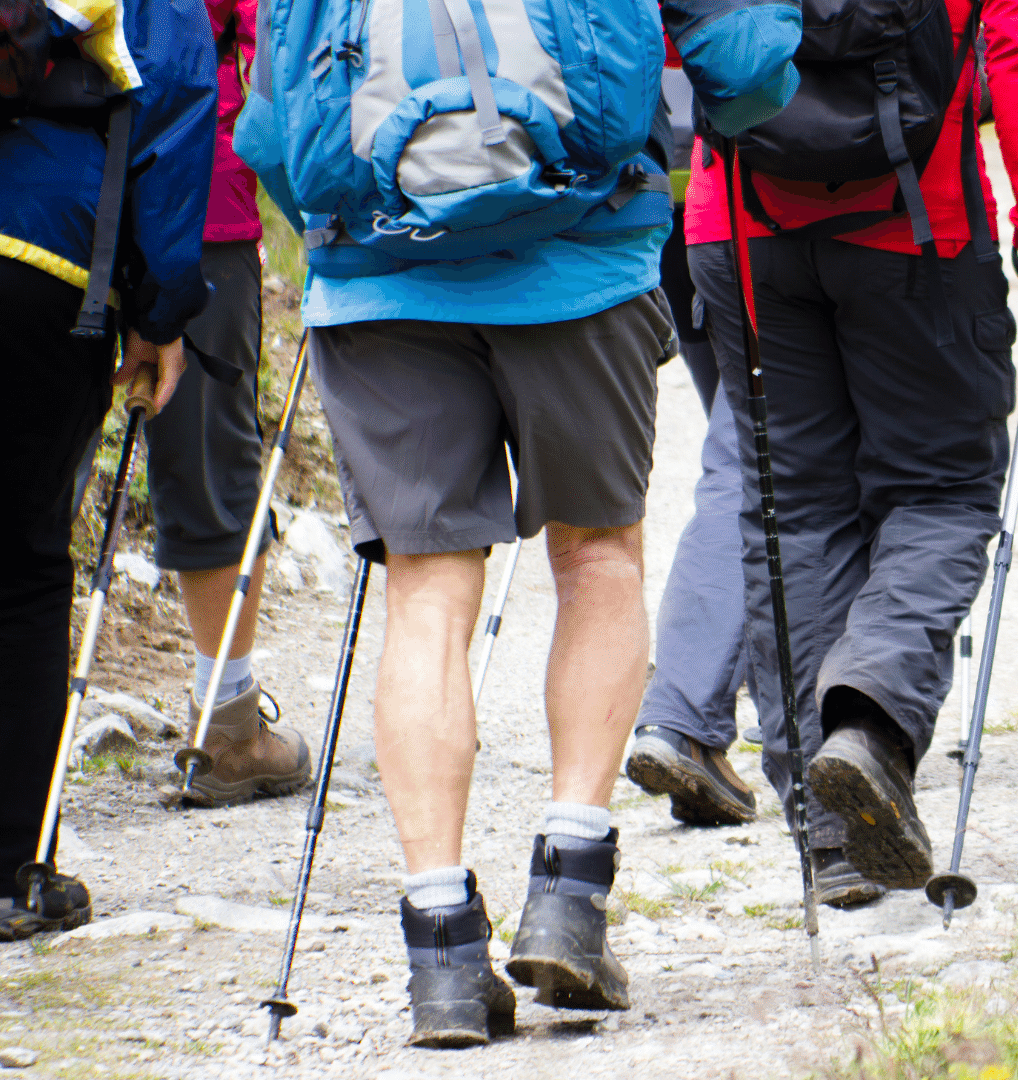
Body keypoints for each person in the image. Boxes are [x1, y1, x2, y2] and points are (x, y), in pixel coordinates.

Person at [237, 0, 801, 1048]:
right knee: (597, 559)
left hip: (379, 282)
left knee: (425, 592)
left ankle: (442, 955)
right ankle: (570, 898)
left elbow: (270, 128)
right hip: (580, 260)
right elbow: (751, 64)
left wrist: (362, 221)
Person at [683, 0, 1018, 906]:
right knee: (944, 493)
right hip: (920, 222)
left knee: (793, 511)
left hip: (739, 220)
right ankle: (867, 721)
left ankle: (828, 835)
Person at [0, 0, 216, 938]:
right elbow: (175, 99)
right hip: (42, 254)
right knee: (22, 569)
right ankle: (10, 871)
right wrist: (161, 313)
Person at [150, 0, 312, 808]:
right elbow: (278, 40)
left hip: (43, 201)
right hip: (195, 201)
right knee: (208, 459)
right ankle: (228, 728)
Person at [623, 56, 762, 832]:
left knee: (755, 441)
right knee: (761, 451)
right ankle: (684, 711)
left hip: (644, 168)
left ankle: (757, 694)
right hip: (767, 174)